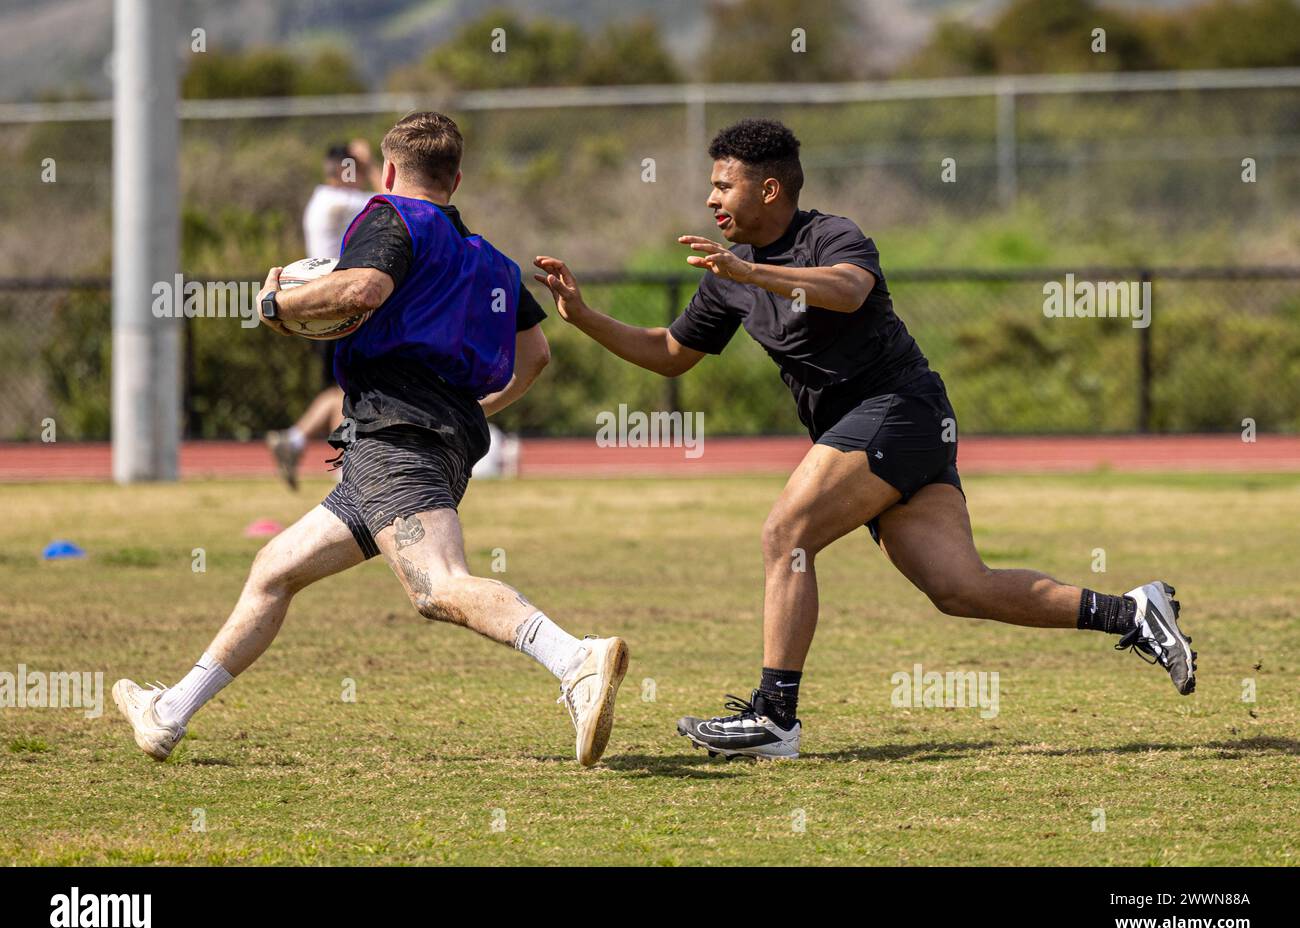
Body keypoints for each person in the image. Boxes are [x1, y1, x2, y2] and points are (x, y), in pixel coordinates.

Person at [533, 118, 1194, 761]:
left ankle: (773, 716)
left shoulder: (829, 236)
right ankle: (1132, 612)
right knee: (960, 586)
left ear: (769, 190)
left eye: (723, 185)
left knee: (785, 533)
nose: (710, 198)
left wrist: (750, 275)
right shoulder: (726, 274)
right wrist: (584, 315)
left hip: (897, 409)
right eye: (711, 186)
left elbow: (848, 292)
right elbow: (671, 351)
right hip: (880, 431)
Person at [115, 112, 629, 767]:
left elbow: (363, 286)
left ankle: (576, 658)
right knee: (274, 570)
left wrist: (277, 305)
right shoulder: (492, 262)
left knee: (438, 585)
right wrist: (473, 407)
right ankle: (168, 712)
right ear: (457, 179)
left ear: (387, 173)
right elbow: (537, 356)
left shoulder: (389, 217)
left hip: (395, 433)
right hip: (416, 441)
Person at [266, 142, 377, 490]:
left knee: (342, 389)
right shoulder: (337, 201)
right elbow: (400, 200)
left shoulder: (326, 201)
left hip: (327, 308)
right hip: (337, 306)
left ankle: (297, 441)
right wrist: (372, 163)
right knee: (349, 390)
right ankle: (344, 465)